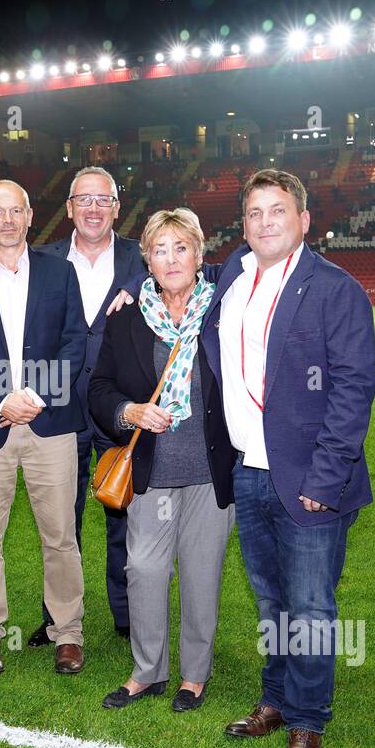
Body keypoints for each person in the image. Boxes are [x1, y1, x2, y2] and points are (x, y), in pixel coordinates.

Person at [214, 169, 375, 748]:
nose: (263, 223)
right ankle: (276, 699)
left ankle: (308, 720)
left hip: (309, 480)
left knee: (310, 607)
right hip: (249, 471)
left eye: (276, 211)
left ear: (304, 220)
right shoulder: (231, 277)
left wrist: (324, 479)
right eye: (253, 212)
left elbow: (354, 389)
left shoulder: (336, 289)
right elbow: (170, 279)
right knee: (271, 601)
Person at [89, 208, 235, 712]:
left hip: (210, 471)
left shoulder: (223, 308)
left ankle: (194, 676)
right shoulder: (126, 316)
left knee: (201, 574)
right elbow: (99, 387)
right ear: (146, 259)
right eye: (159, 249)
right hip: (150, 471)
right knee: (144, 570)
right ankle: (147, 671)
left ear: (199, 254)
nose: (170, 259)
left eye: (181, 248)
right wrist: (128, 411)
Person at [0, 179, 88, 676]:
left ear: (30, 216)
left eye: (16, 211)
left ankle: (67, 632)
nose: (6, 220)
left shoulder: (60, 273)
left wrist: (34, 397)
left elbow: (75, 344)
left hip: (52, 423)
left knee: (61, 536)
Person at [32, 166, 147, 645]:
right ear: (70, 207)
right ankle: (60, 617)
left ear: (117, 208)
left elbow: (192, 281)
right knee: (61, 517)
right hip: (60, 405)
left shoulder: (145, 258)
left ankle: (128, 615)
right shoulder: (42, 260)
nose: (95, 208)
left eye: (104, 200)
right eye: (85, 199)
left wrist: (144, 288)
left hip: (120, 405)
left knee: (125, 513)